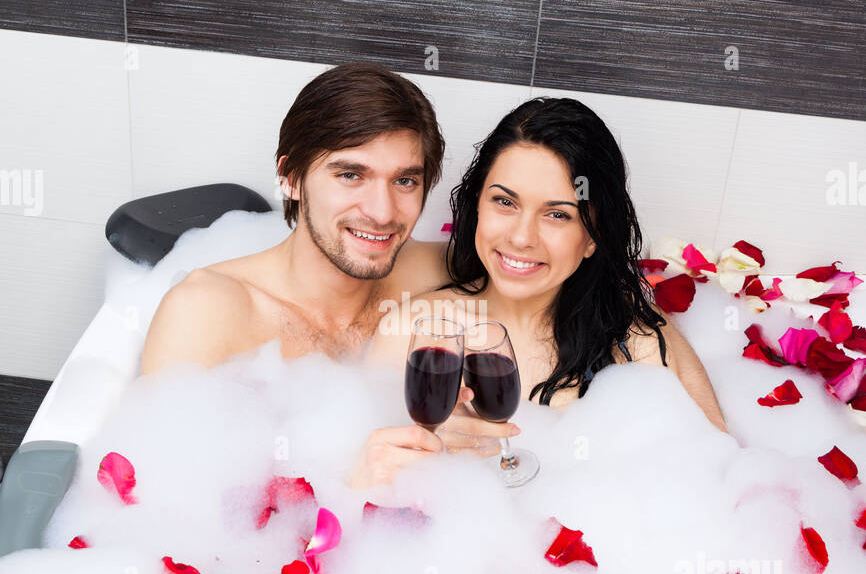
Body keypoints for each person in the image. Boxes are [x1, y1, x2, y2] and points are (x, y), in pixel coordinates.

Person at [140, 60, 509, 481]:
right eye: (351, 175)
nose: (382, 212)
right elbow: (169, 503)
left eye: (405, 181)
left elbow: (543, 278)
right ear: (291, 179)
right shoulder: (206, 313)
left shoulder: (432, 272)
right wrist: (351, 489)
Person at [365, 95, 730, 452]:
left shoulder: (636, 343)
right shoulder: (418, 336)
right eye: (505, 202)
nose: (522, 237)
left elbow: (714, 473)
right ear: (478, 205)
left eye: (557, 214)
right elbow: (373, 471)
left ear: (592, 238)